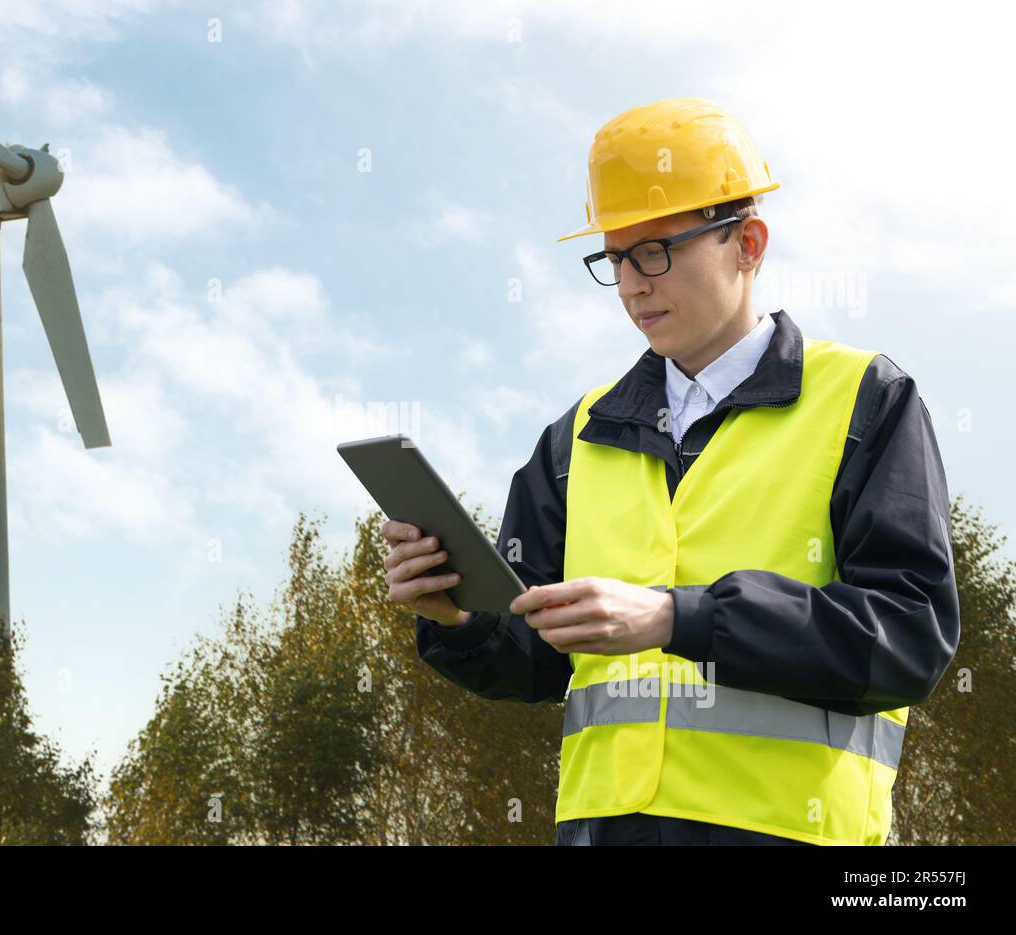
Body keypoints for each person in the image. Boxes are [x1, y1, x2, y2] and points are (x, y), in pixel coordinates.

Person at [380, 98, 960, 846]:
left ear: (748, 243)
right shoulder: (577, 437)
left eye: (654, 251)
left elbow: (909, 636)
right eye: (614, 258)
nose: (630, 284)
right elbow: (532, 660)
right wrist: (453, 615)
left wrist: (679, 617)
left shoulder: (866, 401)